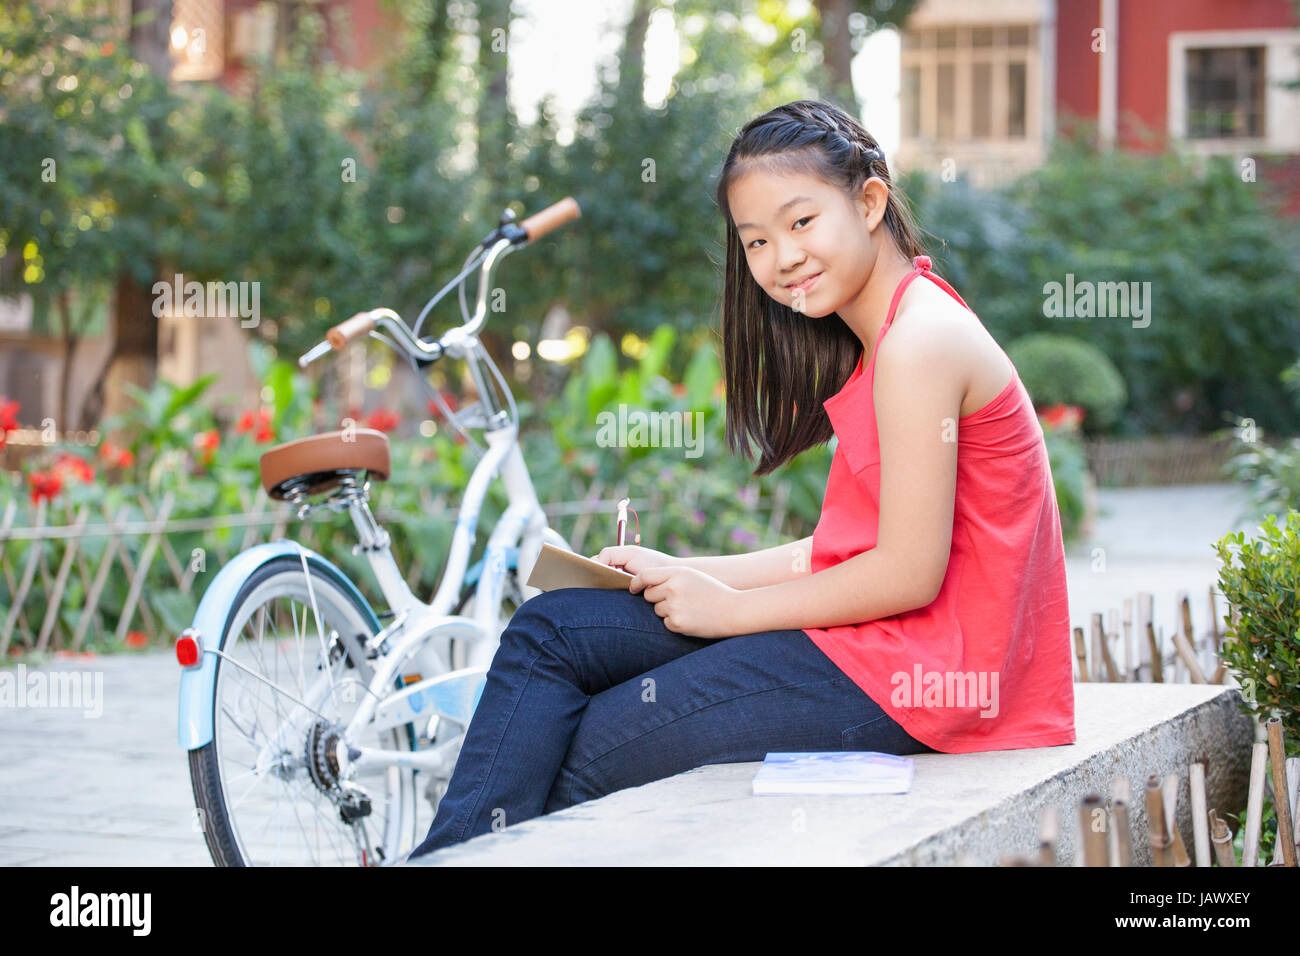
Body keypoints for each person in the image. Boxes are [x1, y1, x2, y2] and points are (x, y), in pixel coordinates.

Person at [406, 99, 1075, 860]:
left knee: (580, 751)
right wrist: (687, 573)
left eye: (800, 223)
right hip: (876, 653)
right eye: (756, 241)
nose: (781, 257)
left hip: (924, 683)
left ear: (869, 201)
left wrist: (725, 613)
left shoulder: (920, 342)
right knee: (554, 627)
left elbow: (909, 574)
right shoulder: (891, 334)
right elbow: (835, 550)